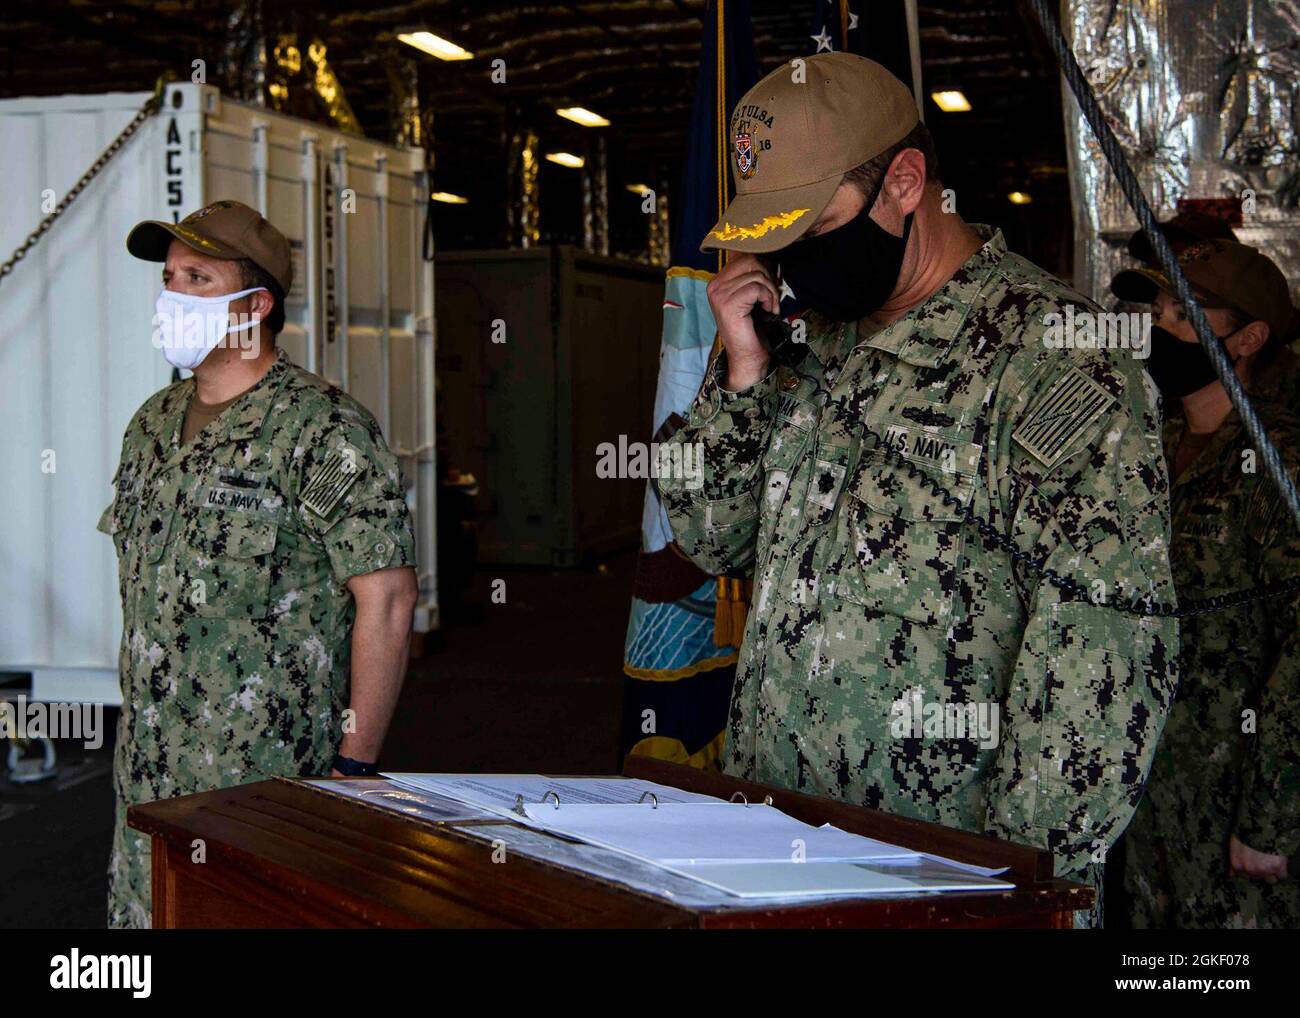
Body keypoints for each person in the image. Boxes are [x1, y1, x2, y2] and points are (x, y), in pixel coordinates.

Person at [656, 52, 1179, 926]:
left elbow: (1104, 658)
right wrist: (743, 378)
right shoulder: (794, 337)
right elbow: (708, 541)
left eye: (806, 229)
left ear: (905, 182)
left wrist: (1019, 888)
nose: (786, 262)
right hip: (772, 848)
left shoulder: (1056, 357)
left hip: (939, 880)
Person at [100, 199, 419, 927]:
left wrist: (355, 769)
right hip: (145, 785)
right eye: (170, 276)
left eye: (198, 278)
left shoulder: (321, 427)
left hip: (262, 787)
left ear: (255, 306)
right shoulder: (150, 423)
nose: (173, 294)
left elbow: (389, 599)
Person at [1113, 237, 1300, 927]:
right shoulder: (1143, 446)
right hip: (1145, 807)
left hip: (1236, 828)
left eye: (1185, 316)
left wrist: (1272, 818)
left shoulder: (1281, 468)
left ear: (1249, 337)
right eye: (1158, 309)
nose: (1161, 328)